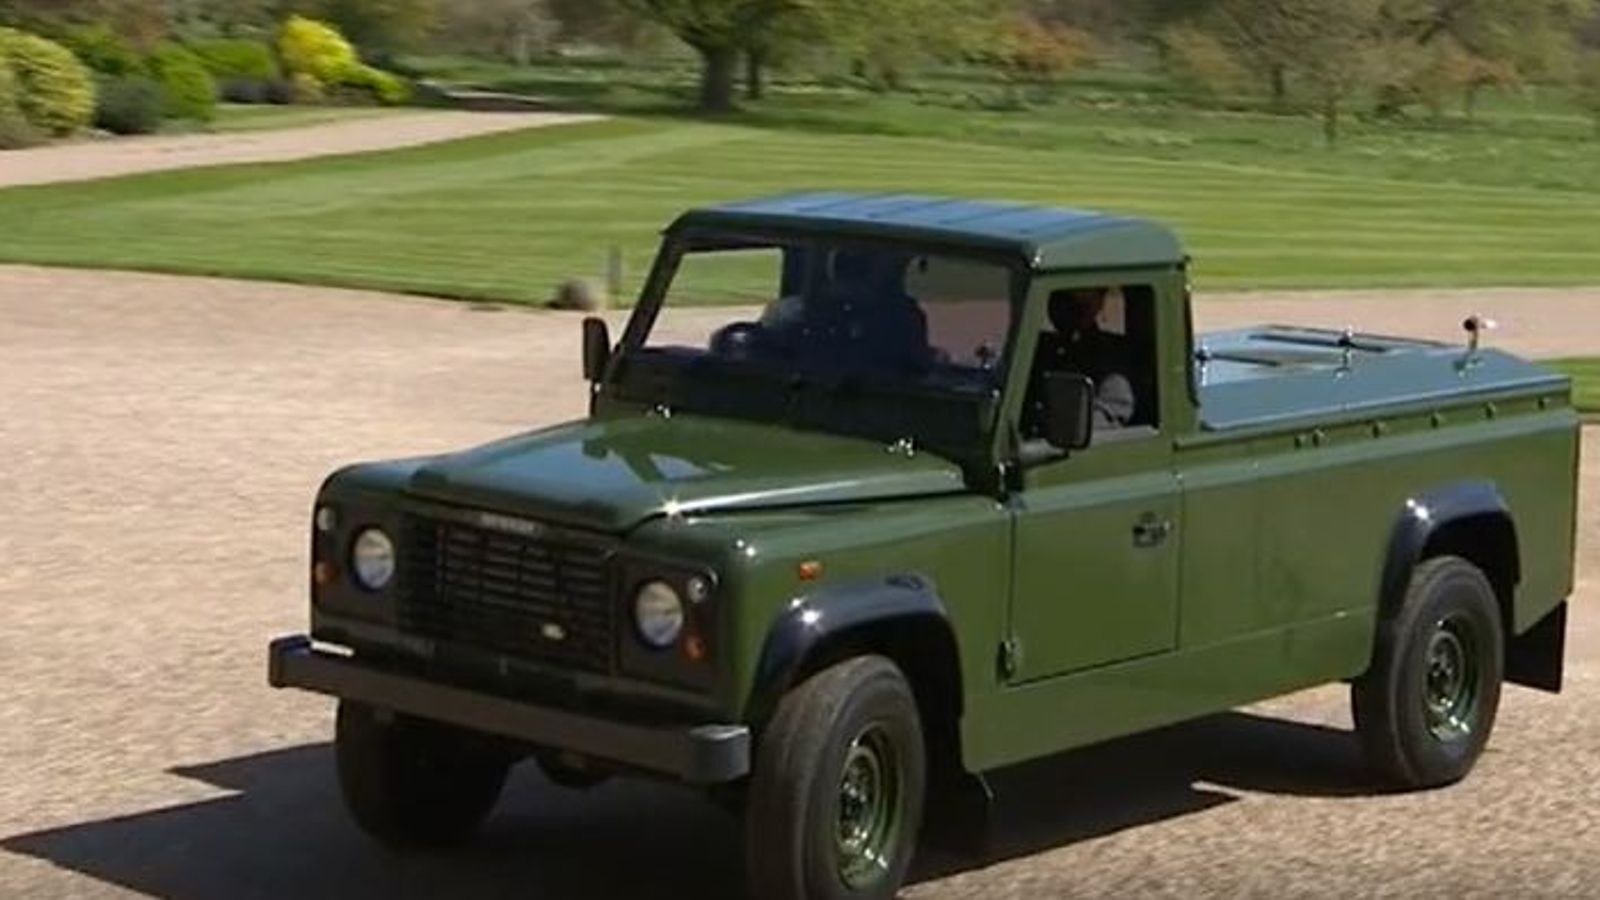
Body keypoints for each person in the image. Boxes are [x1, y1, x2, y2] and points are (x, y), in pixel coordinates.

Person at [1027, 288, 1136, 434]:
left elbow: (1108, 415)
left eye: (1069, 300)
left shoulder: (1109, 361)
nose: (1061, 308)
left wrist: (1056, 425)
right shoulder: (1043, 348)